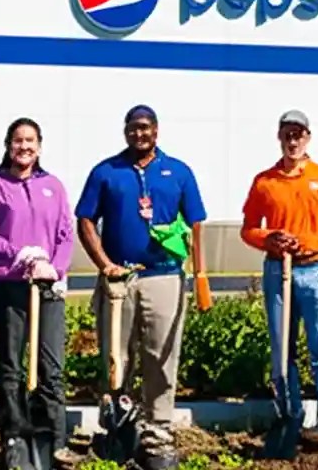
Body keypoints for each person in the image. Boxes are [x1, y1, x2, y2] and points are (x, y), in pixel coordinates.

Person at [75, 105, 208, 465]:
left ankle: (158, 432)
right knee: (116, 357)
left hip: (164, 276)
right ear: (125, 131)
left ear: (157, 131)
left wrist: (200, 275)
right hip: (120, 281)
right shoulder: (106, 172)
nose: (140, 134)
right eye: (133, 128)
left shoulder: (178, 172)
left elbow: (196, 223)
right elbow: (85, 219)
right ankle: (119, 425)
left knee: (161, 357)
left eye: (145, 128)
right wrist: (105, 265)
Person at [240, 109, 318, 454]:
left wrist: (306, 244)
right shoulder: (265, 181)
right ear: (279, 137)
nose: (293, 140)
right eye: (287, 133)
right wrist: (269, 238)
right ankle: (289, 414)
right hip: (278, 271)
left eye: (299, 133)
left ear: (308, 137)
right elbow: (248, 228)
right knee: (281, 349)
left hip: (316, 271)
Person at [0, 118, 76, 470]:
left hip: (47, 285)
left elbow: (65, 232)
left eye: (31, 141)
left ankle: (53, 439)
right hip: (6, 285)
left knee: (51, 367)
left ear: (40, 146)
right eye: (18, 141)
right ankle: (15, 436)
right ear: (8, 144)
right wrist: (22, 254)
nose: (24, 147)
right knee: (11, 367)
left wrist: (53, 267)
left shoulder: (54, 186)